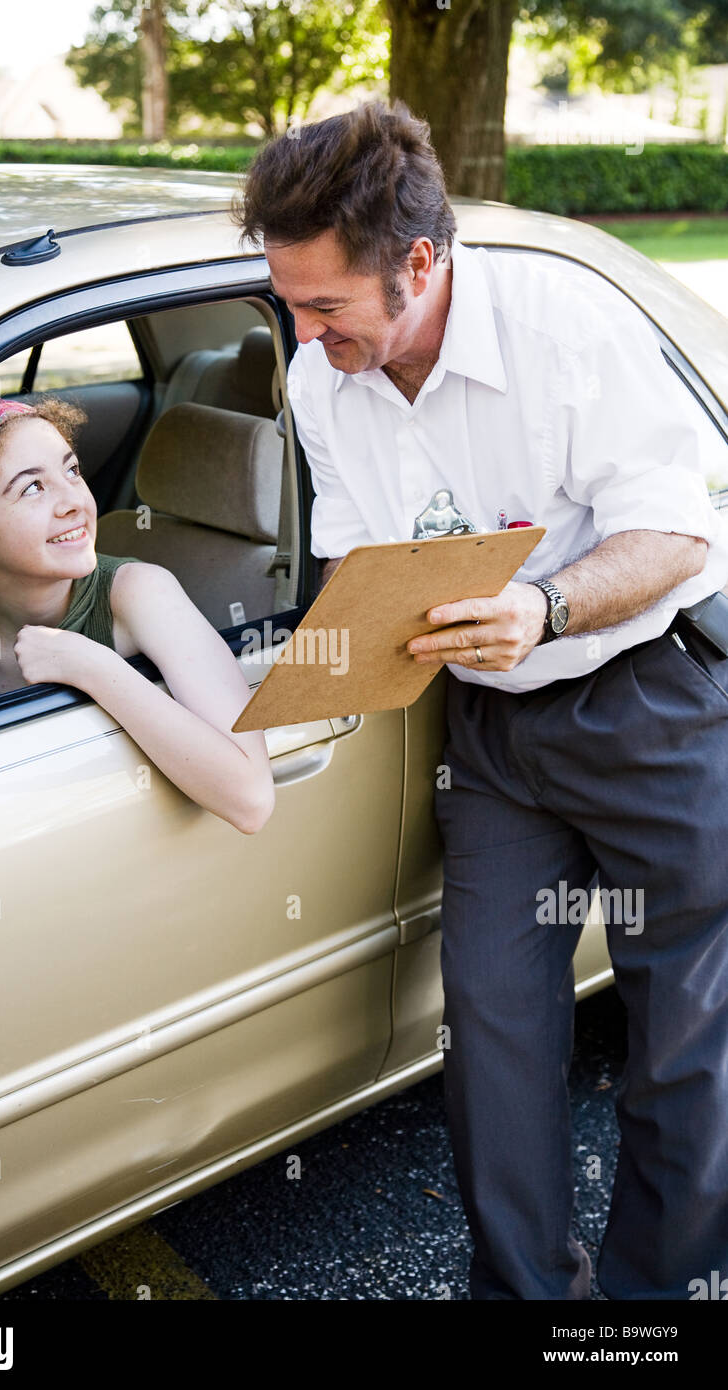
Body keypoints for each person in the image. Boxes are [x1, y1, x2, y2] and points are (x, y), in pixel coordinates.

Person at [232, 98, 728, 1298]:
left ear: (418, 259)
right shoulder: (319, 376)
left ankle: (640, 1304)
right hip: (494, 737)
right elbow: (360, 562)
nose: (300, 332)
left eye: (323, 305)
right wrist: (286, 673)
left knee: (684, 1051)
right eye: (289, 300)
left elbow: (673, 531)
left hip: (651, 700)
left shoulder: (565, 330)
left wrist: (545, 607)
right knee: (493, 1045)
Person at [0, 394, 274, 836]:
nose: (75, 502)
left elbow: (250, 798)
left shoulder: (139, 592)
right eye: (32, 487)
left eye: (72, 471)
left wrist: (93, 668)